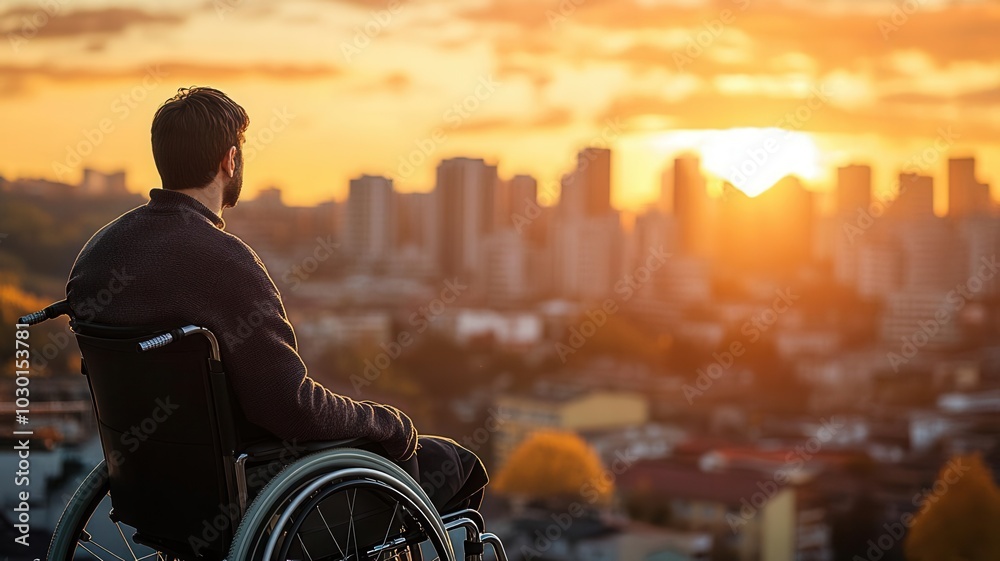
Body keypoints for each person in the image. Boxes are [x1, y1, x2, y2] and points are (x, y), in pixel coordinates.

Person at [65, 86, 487, 513]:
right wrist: (387, 423)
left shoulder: (97, 256)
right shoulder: (226, 261)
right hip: (247, 490)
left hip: (152, 486)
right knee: (457, 464)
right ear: (230, 161)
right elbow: (289, 407)